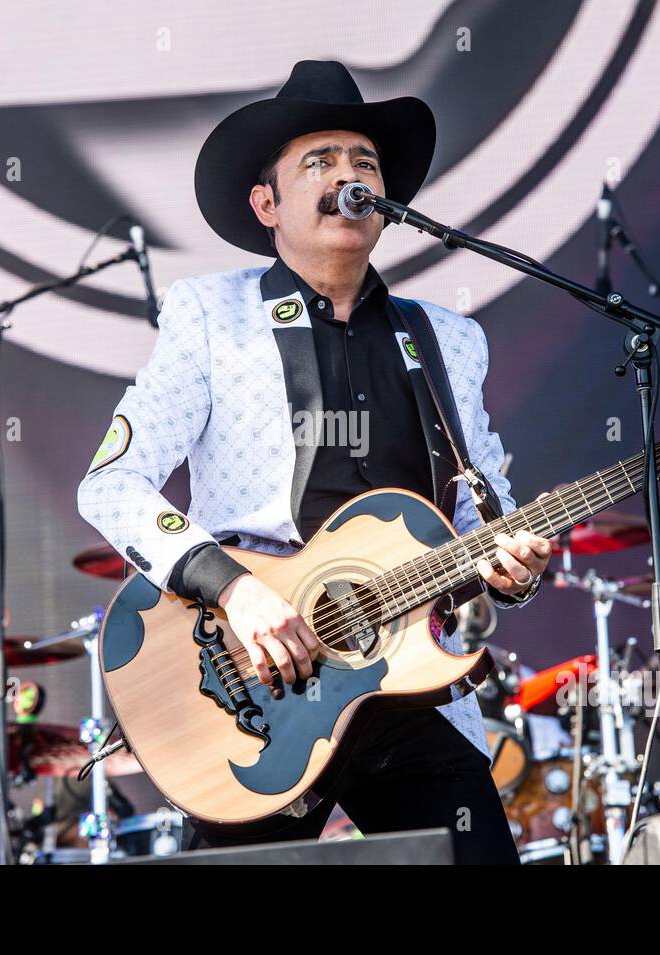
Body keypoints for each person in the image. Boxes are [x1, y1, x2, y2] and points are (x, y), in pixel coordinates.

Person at [78, 60, 551, 864]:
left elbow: (482, 517)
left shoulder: (447, 340)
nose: (349, 178)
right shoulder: (210, 317)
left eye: (365, 165)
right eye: (320, 162)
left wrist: (512, 564)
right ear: (267, 204)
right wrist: (235, 590)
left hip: (410, 684)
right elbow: (111, 485)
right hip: (254, 679)